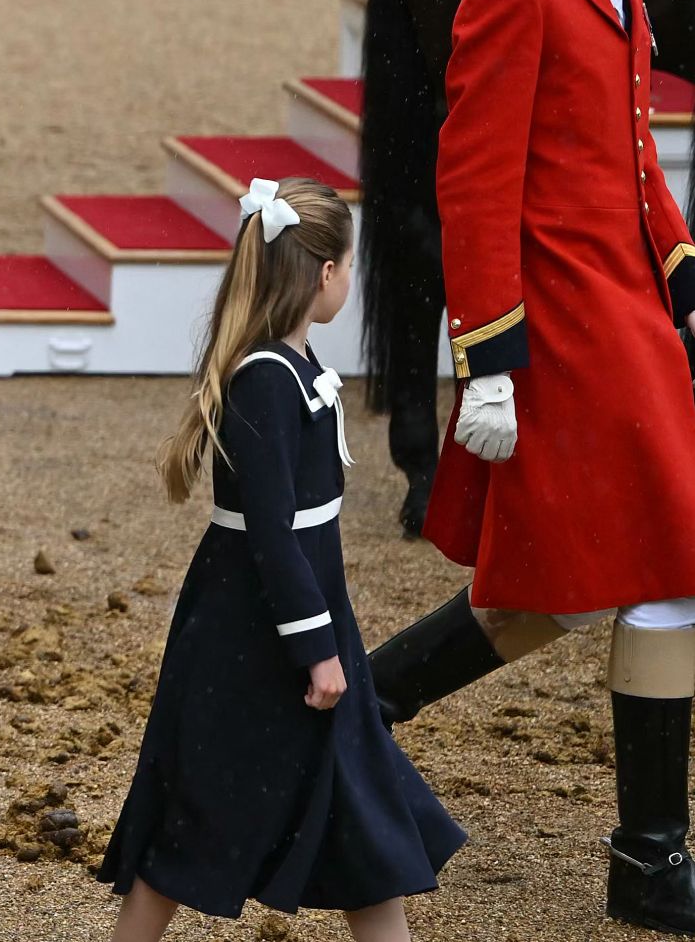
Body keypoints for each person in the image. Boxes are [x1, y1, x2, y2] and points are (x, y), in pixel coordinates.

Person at [363, 0, 695, 931]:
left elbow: (632, 152)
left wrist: (683, 274)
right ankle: (646, 859)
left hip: (622, 305)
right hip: (558, 320)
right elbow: (470, 177)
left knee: (572, 576)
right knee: (653, 561)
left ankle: (362, 705)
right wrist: (488, 358)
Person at [98, 179, 464, 942]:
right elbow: (271, 535)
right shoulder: (264, 378)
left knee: (362, 821)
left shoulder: (293, 365)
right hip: (251, 640)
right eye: (349, 267)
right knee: (190, 823)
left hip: (299, 627)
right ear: (324, 273)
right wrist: (315, 650)